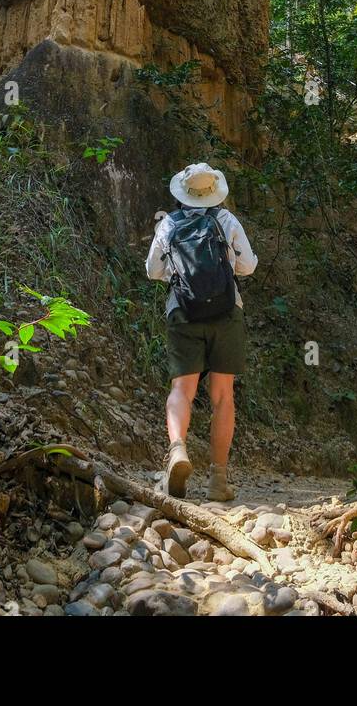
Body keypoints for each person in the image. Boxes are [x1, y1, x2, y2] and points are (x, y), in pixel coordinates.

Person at [145, 162, 258, 502]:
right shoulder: (226, 220)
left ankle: (178, 449)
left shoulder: (169, 223)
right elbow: (248, 266)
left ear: (183, 192)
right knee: (223, 394)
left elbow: (153, 270)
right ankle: (218, 481)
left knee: (182, 389)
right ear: (214, 192)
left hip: (183, 311)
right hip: (226, 311)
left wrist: (181, 278)